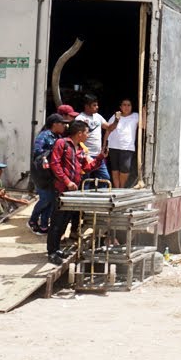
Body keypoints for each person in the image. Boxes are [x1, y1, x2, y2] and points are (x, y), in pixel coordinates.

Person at [46, 121, 106, 265]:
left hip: (73, 191)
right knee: (56, 221)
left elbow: (87, 167)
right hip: (61, 189)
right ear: (79, 133)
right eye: (87, 132)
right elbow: (55, 165)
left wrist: (100, 158)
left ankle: (56, 248)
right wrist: (67, 182)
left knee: (65, 220)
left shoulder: (80, 149)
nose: (88, 135)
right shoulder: (62, 144)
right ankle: (51, 252)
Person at [28, 115, 68, 234]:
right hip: (42, 173)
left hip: (52, 173)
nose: (64, 126)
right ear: (55, 124)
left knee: (51, 199)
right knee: (45, 198)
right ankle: (33, 220)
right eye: (62, 123)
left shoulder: (59, 137)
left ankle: (44, 225)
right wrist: (52, 153)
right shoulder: (44, 135)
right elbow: (37, 151)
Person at [74, 95, 114, 184]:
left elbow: (109, 128)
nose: (97, 107)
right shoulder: (80, 118)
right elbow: (77, 138)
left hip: (98, 155)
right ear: (87, 106)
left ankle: (101, 197)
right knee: (85, 180)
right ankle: (85, 197)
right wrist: (83, 153)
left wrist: (116, 121)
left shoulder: (98, 117)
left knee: (105, 178)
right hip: (85, 155)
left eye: (97, 105)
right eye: (94, 105)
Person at [106, 99, 140, 188]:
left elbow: (143, 125)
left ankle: (122, 188)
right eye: (124, 105)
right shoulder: (115, 116)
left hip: (127, 147)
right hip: (113, 145)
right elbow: (109, 129)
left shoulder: (136, 116)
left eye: (129, 105)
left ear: (132, 107)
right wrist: (104, 144)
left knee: (125, 169)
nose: (126, 107)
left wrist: (143, 110)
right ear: (120, 107)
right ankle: (117, 188)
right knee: (115, 169)